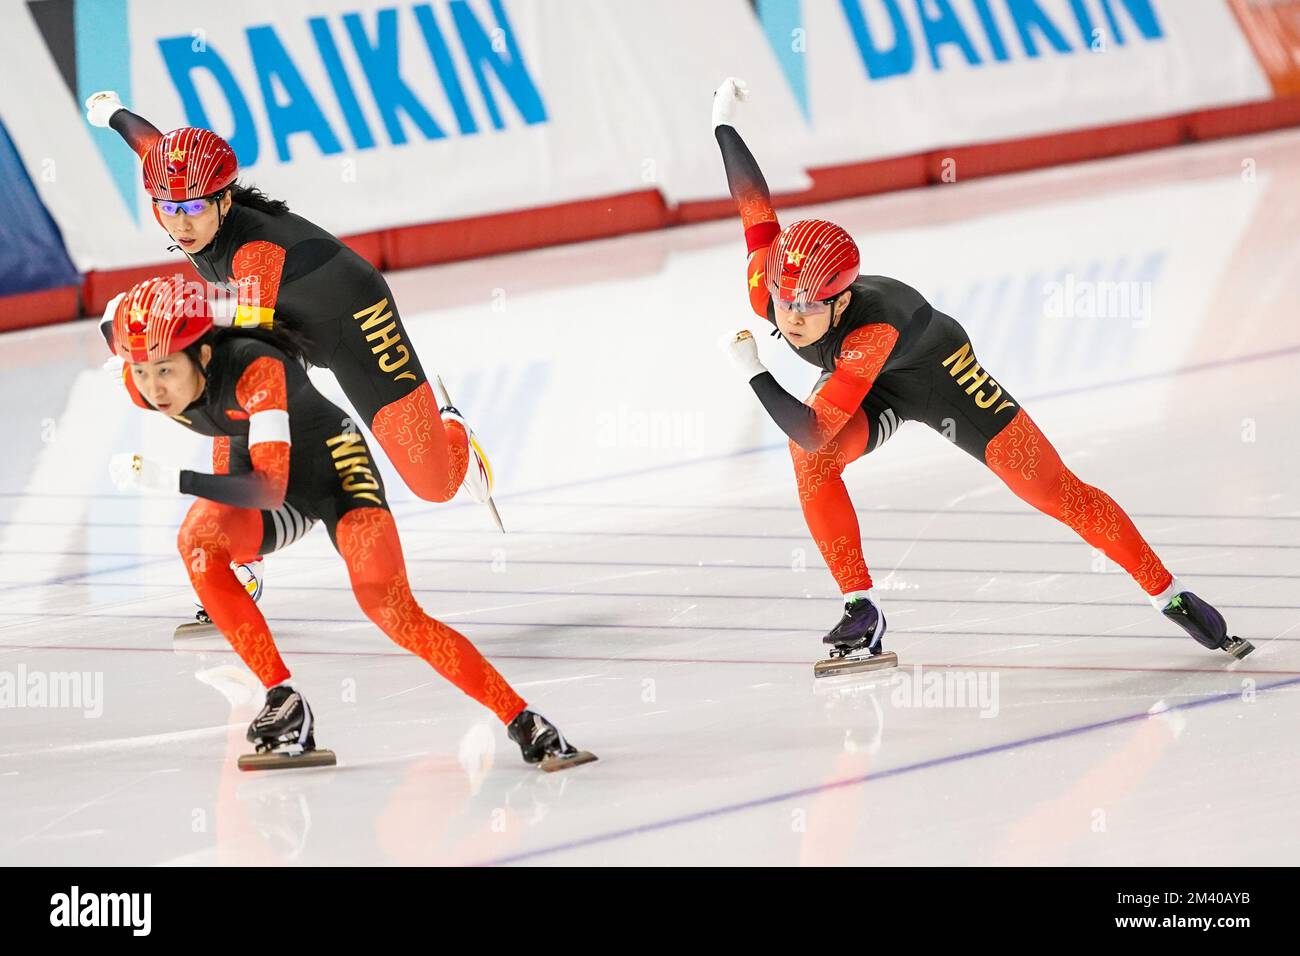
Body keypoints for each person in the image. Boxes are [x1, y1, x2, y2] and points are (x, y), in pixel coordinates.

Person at [710, 78, 1252, 663]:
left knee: (1052, 490)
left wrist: (754, 372)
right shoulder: (772, 286)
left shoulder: (872, 328)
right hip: (870, 383)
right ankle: (860, 608)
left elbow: (812, 425)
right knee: (811, 462)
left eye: (812, 306)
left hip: (939, 377)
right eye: (787, 303)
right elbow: (753, 202)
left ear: (842, 300)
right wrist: (724, 125)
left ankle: (1169, 594)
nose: (793, 318)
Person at [105, 274, 594, 769]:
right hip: (260, 463)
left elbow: (269, 490)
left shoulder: (257, 370)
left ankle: (526, 720)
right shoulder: (140, 374)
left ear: (204, 355)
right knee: (198, 543)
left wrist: (176, 479)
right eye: (141, 371)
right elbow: (126, 317)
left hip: (332, 474)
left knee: (392, 610)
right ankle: (283, 701)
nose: (153, 387)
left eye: (165, 370)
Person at [84, 91, 497, 519]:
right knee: (233, 396)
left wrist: (156, 347)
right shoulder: (179, 188)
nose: (181, 223)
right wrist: (114, 112)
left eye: (193, 207)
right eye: (167, 208)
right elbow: (150, 144)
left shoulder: (255, 251)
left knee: (437, 485)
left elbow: (251, 336)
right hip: (293, 316)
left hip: (355, 323)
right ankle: (243, 550)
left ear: (224, 200)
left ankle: (452, 429)